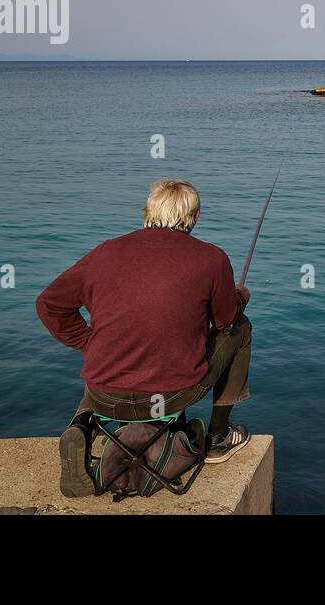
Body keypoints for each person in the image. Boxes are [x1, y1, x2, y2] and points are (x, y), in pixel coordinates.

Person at [37, 178, 253, 497]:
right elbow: (225, 320)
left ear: (145, 212)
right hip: (172, 396)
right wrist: (239, 297)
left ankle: (80, 426)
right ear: (196, 216)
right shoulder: (211, 258)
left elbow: (49, 303)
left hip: (107, 397)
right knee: (241, 328)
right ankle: (218, 437)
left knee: (105, 362)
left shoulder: (105, 253)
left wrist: (86, 341)